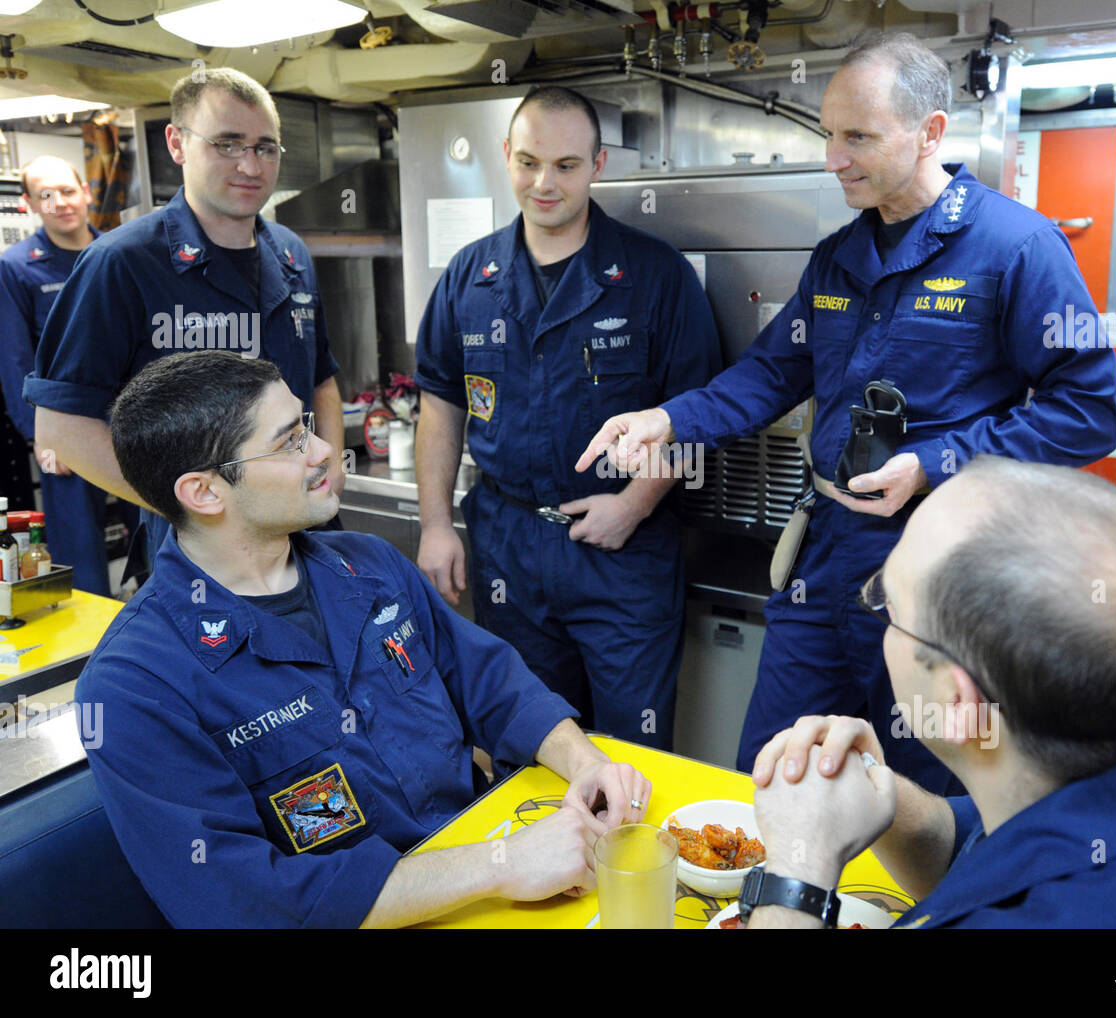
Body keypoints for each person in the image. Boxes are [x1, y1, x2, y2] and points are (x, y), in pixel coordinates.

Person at [577, 33, 1116, 788]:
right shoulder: (837, 255)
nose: (834, 157)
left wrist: (933, 466)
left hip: (938, 563)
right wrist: (670, 421)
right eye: (829, 133)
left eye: (858, 136)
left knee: (919, 789)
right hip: (824, 552)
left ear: (931, 131)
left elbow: (1087, 410)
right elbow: (773, 373)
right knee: (770, 768)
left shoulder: (1018, 248)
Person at [75, 351, 652, 929]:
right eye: (290, 441)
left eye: (307, 425)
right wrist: (501, 865)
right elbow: (245, 904)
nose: (324, 449)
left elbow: (491, 682)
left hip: (493, 874)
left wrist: (585, 763)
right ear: (204, 492)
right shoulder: (135, 685)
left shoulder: (369, 565)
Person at [742, 456, 1116, 929]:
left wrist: (796, 873)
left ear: (957, 704)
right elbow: (993, 856)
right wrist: (881, 795)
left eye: (889, 601)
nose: (880, 612)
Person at [414, 86, 721, 751]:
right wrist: (437, 524)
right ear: (505, 156)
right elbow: (439, 400)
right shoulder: (470, 275)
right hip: (507, 549)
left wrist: (635, 506)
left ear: (599, 165)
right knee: (525, 744)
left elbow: (693, 413)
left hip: (621, 556)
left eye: (566, 166)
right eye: (527, 162)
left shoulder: (654, 274)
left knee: (628, 752)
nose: (543, 183)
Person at [24, 67, 345, 573]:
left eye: (266, 147)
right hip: (197, 554)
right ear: (177, 144)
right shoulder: (122, 263)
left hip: (305, 537)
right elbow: (61, 427)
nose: (250, 164)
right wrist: (198, 511)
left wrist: (331, 472)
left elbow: (321, 378)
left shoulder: (291, 254)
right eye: (227, 143)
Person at [0, 155, 124, 596]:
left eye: (67, 191)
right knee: (80, 554)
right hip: (67, 429)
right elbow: (14, 360)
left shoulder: (121, 252)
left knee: (159, 533)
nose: (59, 203)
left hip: (132, 418)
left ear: (85, 193)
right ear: (32, 203)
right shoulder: (16, 267)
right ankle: (93, 655)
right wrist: (42, 436)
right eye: (45, 195)